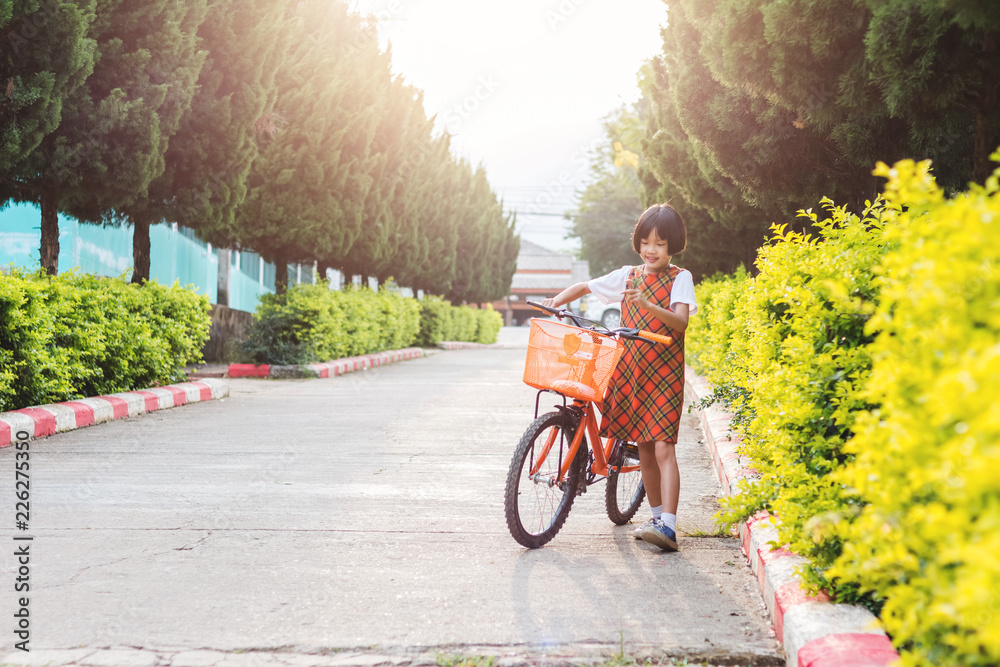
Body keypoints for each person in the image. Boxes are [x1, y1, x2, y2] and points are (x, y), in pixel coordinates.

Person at [541, 203, 697, 551]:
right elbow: (585, 286)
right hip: (629, 370)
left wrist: (648, 307)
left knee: (662, 446)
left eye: (658, 243)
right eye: (644, 242)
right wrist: (557, 301)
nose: (650, 250)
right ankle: (655, 517)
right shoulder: (628, 275)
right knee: (642, 446)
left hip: (663, 373)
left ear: (673, 244)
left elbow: (681, 322)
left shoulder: (680, 278)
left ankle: (669, 527)